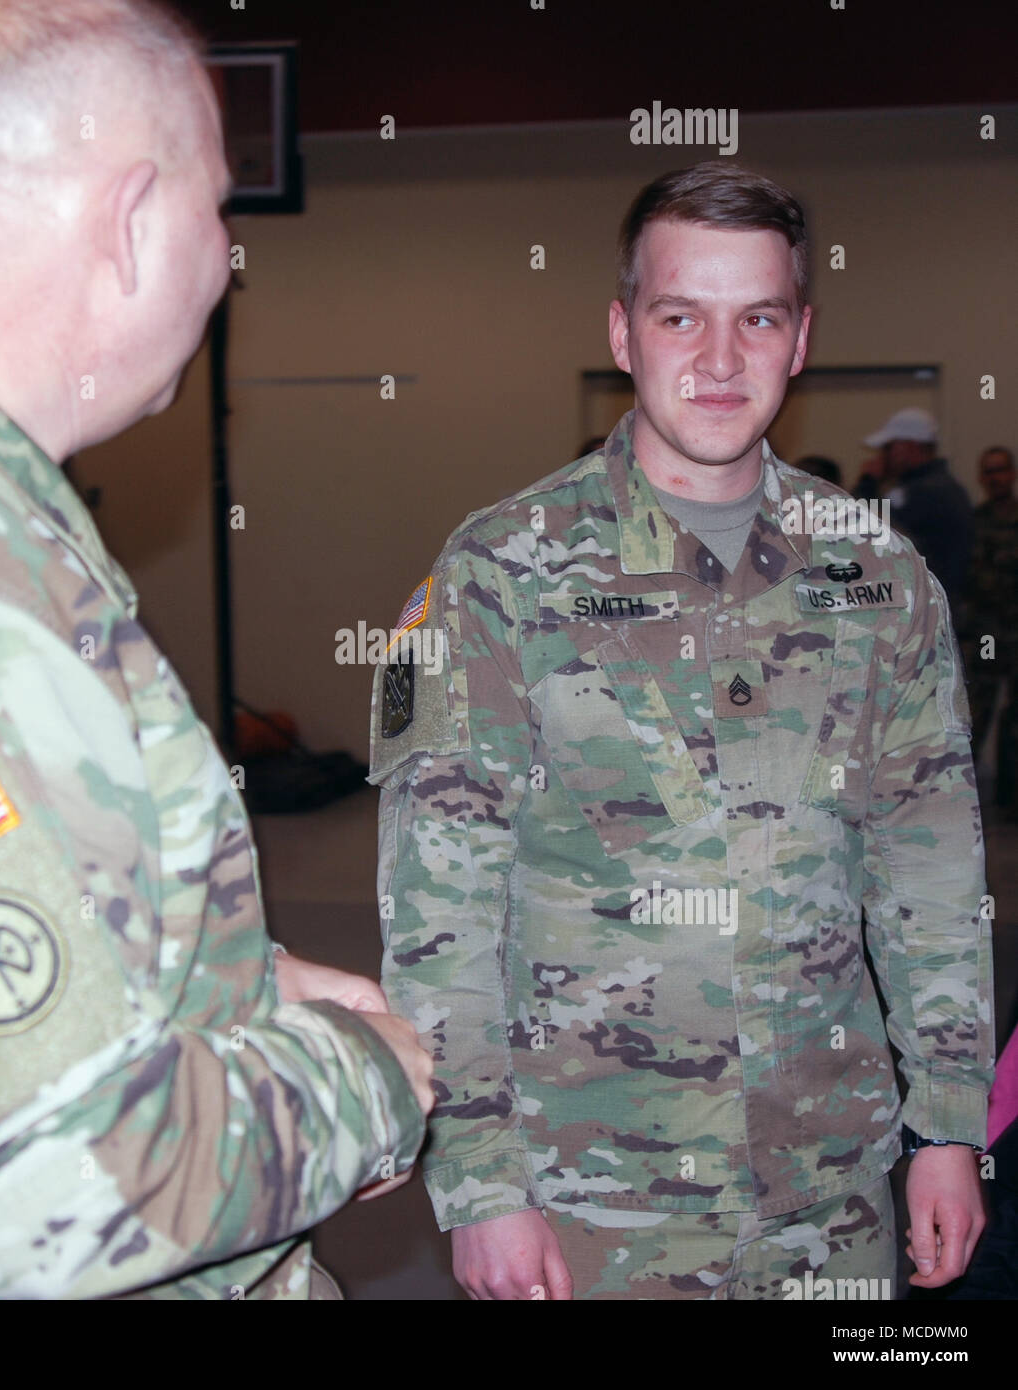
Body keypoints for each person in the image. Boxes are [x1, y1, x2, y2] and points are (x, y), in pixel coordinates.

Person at [0, 0, 432, 1301]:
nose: (223, 257)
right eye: (215, 215)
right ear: (128, 222)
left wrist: (212, 984)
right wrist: (369, 1082)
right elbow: (49, 1189)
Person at [372, 160, 992, 1300]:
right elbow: (438, 909)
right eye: (678, 316)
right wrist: (478, 1184)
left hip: (831, 1189)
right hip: (593, 1200)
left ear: (798, 338)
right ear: (621, 331)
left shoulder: (880, 575)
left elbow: (931, 866)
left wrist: (946, 1123)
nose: (717, 360)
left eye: (754, 317)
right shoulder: (496, 573)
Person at [859, 408, 974, 621]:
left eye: (889, 447)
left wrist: (867, 484)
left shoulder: (926, 492)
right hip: (938, 606)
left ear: (910, 446)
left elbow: (864, 532)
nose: (883, 456)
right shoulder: (941, 486)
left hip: (930, 612)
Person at [961, 446, 1018, 814]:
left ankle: (1010, 803)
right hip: (986, 635)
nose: (996, 477)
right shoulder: (973, 521)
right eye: (989, 472)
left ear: (1012, 474)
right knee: (976, 714)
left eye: (1002, 471)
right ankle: (965, 801)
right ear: (982, 478)